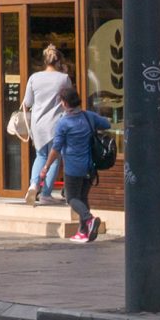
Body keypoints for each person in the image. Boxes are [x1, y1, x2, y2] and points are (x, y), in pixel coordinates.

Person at [51, 84, 108, 244]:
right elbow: (107, 124)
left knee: (71, 198)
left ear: (65, 103)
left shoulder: (64, 123)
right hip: (89, 166)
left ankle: (89, 219)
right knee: (82, 197)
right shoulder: (89, 116)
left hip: (73, 167)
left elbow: (56, 149)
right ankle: (84, 232)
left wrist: (46, 167)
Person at [21, 45, 70, 204]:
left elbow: (27, 102)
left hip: (38, 123)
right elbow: (70, 100)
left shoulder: (34, 78)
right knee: (55, 159)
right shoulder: (63, 78)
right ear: (58, 61)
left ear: (45, 61)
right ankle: (46, 194)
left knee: (40, 156)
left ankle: (33, 185)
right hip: (56, 123)